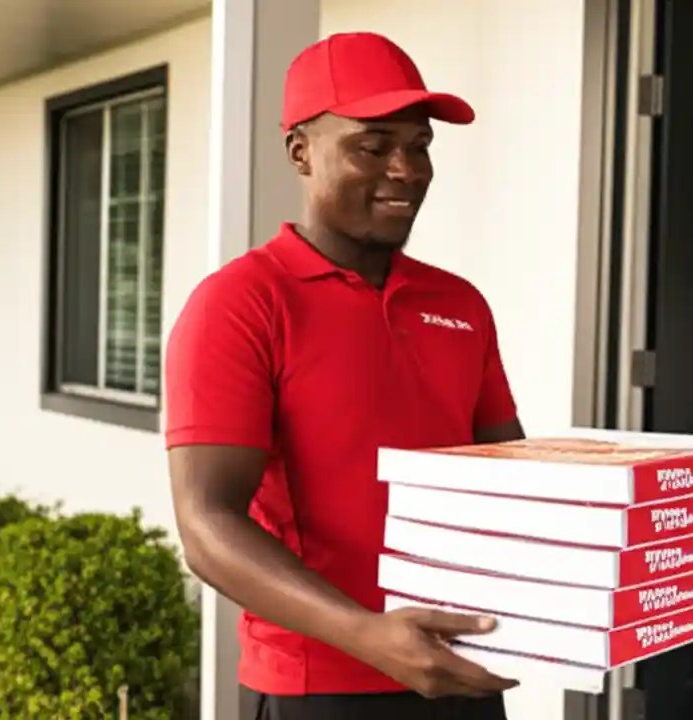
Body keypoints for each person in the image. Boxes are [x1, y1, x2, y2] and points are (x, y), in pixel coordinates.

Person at [163, 32, 525, 720]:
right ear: (300, 151)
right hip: (322, 687)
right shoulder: (241, 304)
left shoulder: (460, 304)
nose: (407, 168)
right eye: (373, 144)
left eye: (419, 146)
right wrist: (369, 636)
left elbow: (509, 480)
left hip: (461, 670)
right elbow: (206, 524)